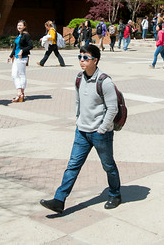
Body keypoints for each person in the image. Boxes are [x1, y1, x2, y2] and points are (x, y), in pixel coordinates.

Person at [39, 44, 121, 214]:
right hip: (82, 132)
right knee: (73, 166)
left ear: (95, 60)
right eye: (80, 57)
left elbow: (112, 108)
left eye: (85, 58)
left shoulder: (105, 81)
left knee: (108, 165)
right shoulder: (79, 78)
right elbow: (78, 101)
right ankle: (59, 200)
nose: (82, 61)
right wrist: (78, 120)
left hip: (100, 134)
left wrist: (102, 128)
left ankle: (115, 194)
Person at [8, 20, 33, 102]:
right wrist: (10, 56)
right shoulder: (19, 35)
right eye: (18, 25)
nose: (19, 27)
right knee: (14, 74)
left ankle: (20, 94)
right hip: (16, 58)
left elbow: (30, 46)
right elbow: (15, 47)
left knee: (22, 74)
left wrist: (22, 51)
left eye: (21, 25)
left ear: (24, 26)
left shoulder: (26, 35)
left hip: (22, 57)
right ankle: (20, 93)